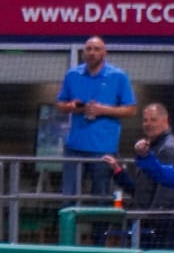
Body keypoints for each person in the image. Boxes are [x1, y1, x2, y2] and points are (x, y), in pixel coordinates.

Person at [56, 36, 137, 199]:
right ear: (83, 53)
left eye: (96, 49)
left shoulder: (118, 76)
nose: (92, 53)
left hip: (104, 149)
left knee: (101, 199)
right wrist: (72, 107)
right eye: (89, 49)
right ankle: (68, 225)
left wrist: (103, 110)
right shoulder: (72, 75)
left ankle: (100, 226)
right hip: (75, 147)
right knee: (69, 197)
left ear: (104, 53)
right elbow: (60, 105)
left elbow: (131, 110)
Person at [102, 102, 174, 215]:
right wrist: (118, 171)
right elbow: (141, 191)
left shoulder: (168, 150)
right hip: (144, 219)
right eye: (145, 120)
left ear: (165, 121)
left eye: (153, 120)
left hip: (158, 224)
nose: (148, 124)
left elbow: (166, 197)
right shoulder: (152, 148)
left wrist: (150, 222)